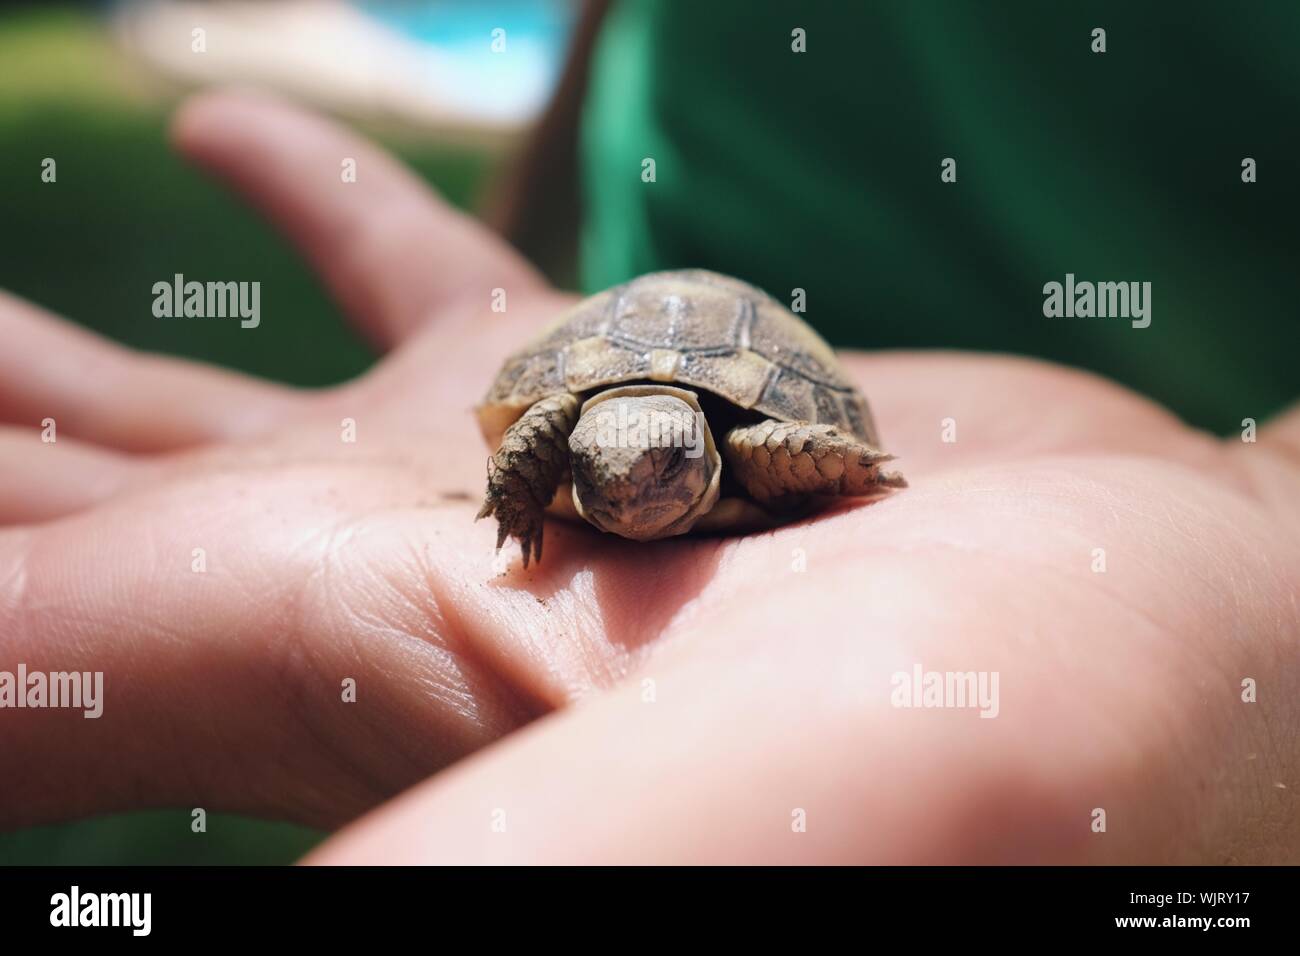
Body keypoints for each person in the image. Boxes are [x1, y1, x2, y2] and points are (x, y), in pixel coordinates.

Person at [0, 25, 1296, 861]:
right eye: (601, 475)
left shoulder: (750, 443)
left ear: (700, 454)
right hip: (666, 226)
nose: (626, 496)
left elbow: (800, 449)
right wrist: (527, 475)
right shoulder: (590, 442)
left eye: (659, 472)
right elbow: (555, 430)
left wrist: (1265, 500)